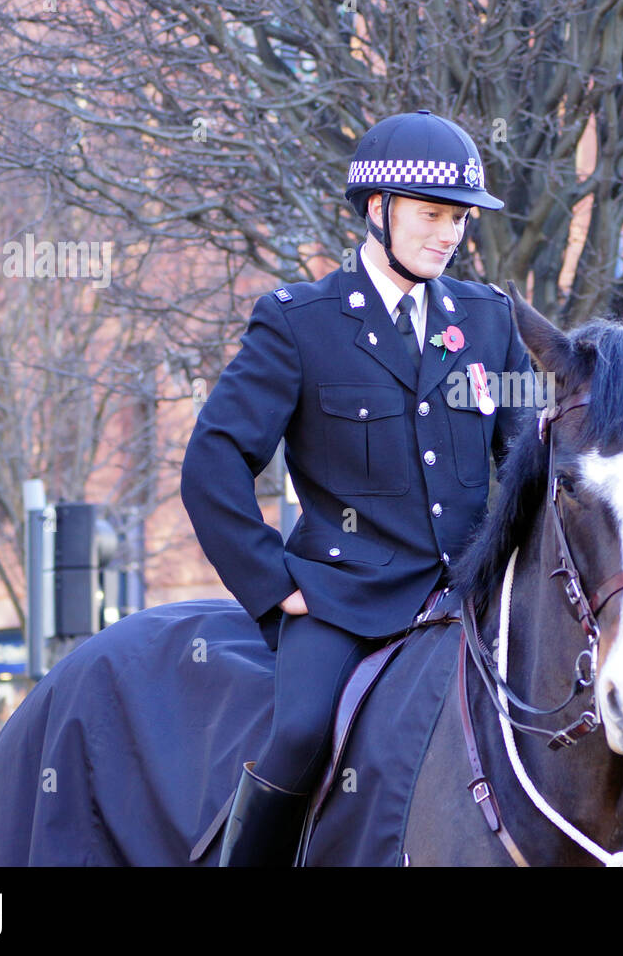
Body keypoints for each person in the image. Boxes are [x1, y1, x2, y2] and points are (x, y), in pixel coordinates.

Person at [181, 110, 533, 865]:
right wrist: (275, 585)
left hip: (468, 598)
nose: (450, 233)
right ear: (378, 209)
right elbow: (212, 462)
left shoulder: (489, 318)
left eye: (460, 218)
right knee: (302, 729)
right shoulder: (299, 323)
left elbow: (530, 458)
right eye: (433, 214)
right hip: (345, 600)